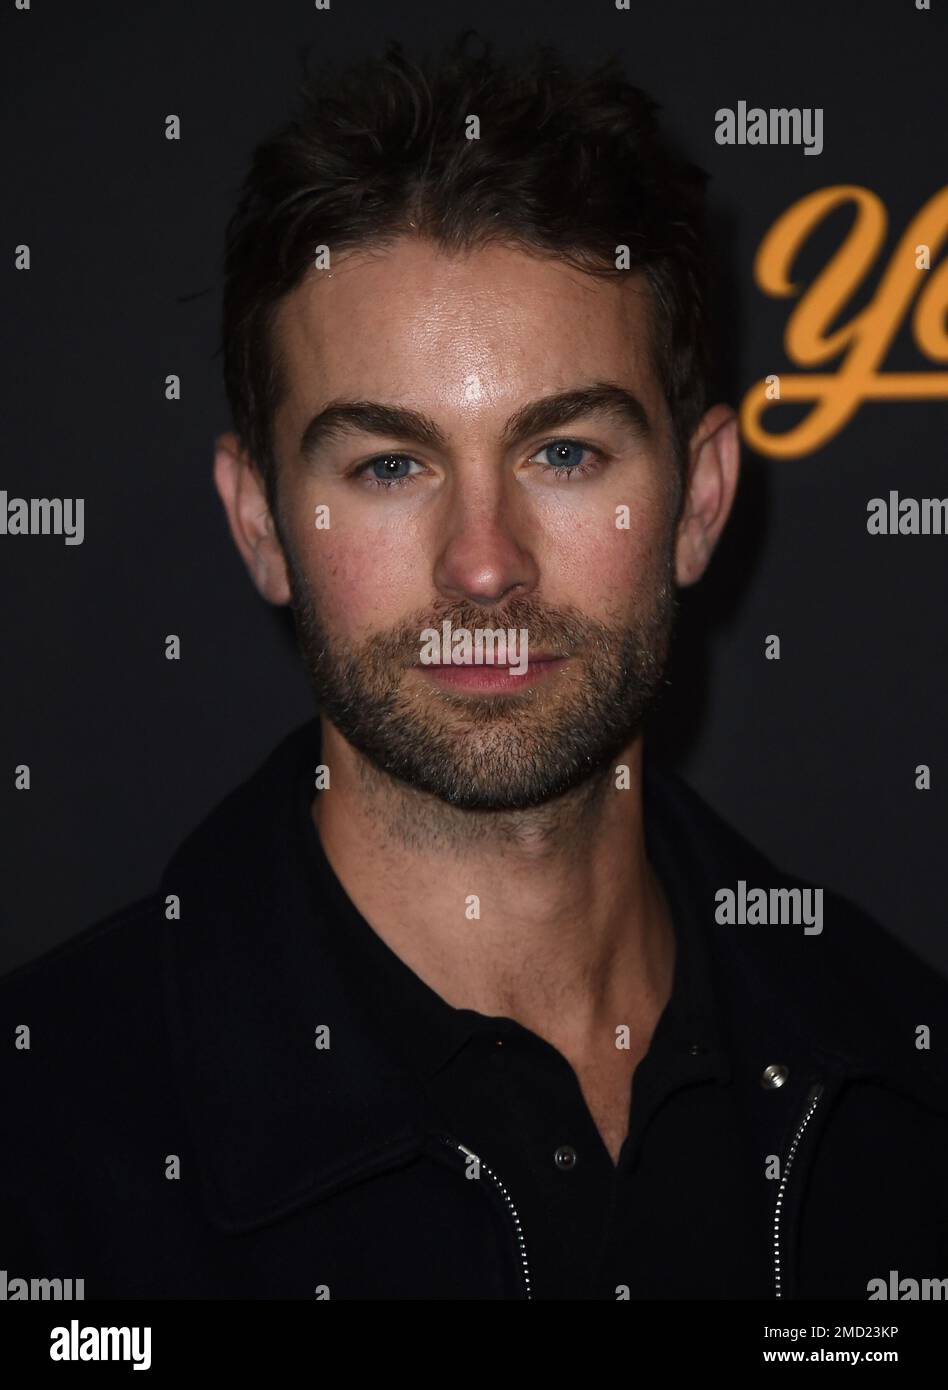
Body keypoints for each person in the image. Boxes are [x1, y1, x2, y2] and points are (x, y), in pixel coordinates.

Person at [3, 32, 947, 1302]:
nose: (485, 564)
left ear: (702, 500)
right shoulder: (45, 1154)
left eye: (564, 452)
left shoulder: (895, 1063)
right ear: (260, 524)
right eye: (390, 465)